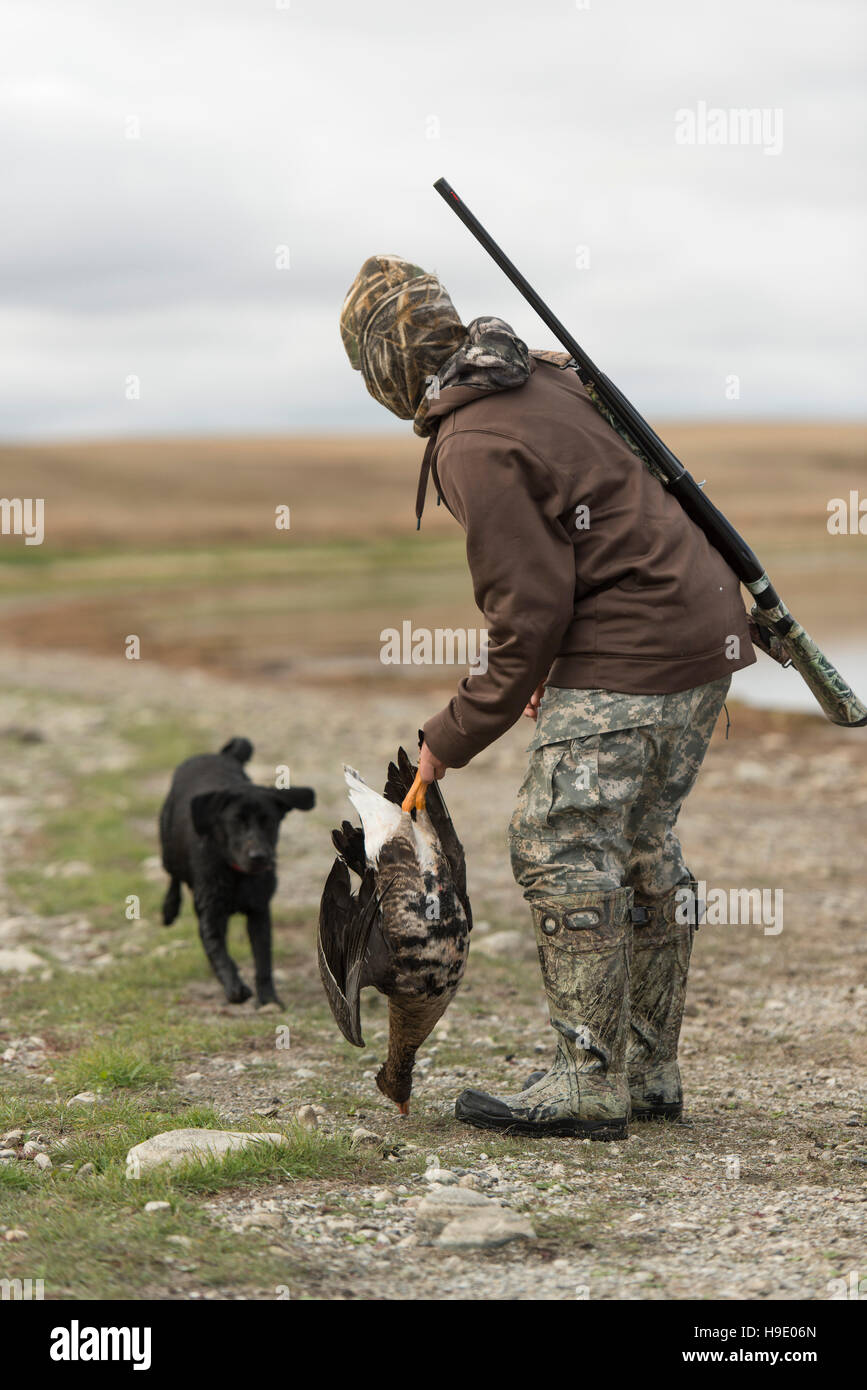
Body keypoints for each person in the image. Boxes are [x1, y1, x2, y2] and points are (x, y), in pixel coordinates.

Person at [339, 254, 758, 1139]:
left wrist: (449, 735)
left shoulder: (471, 441)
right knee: (642, 845)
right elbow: (585, 556)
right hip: (702, 631)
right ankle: (649, 1071)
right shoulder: (546, 382)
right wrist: (549, 671)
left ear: (385, 363)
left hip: (634, 644)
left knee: (559, 844)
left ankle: (586, 1083)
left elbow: (527, 611)